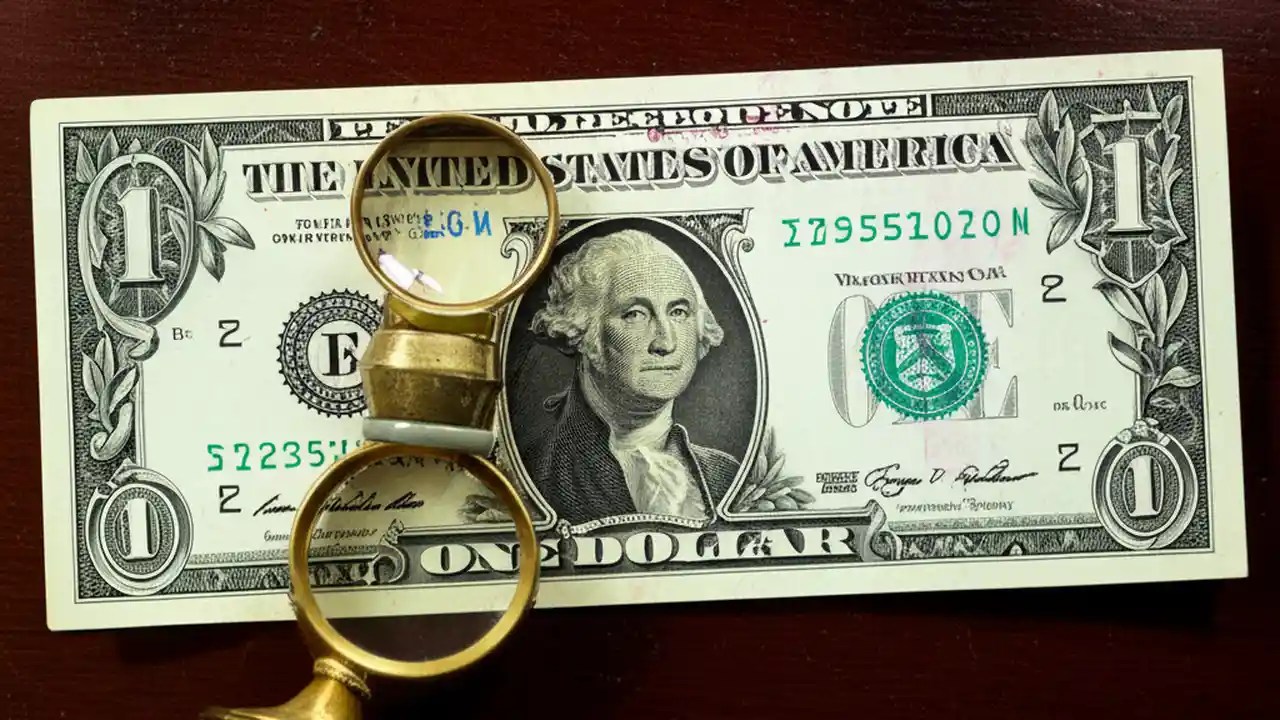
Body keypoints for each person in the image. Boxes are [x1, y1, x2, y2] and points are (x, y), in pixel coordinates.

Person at [517, 227, 740, 527]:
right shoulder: (529, 478)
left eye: (678, 312)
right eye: (635, 314)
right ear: (584, 332)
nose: (665, 342)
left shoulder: (726, 476)